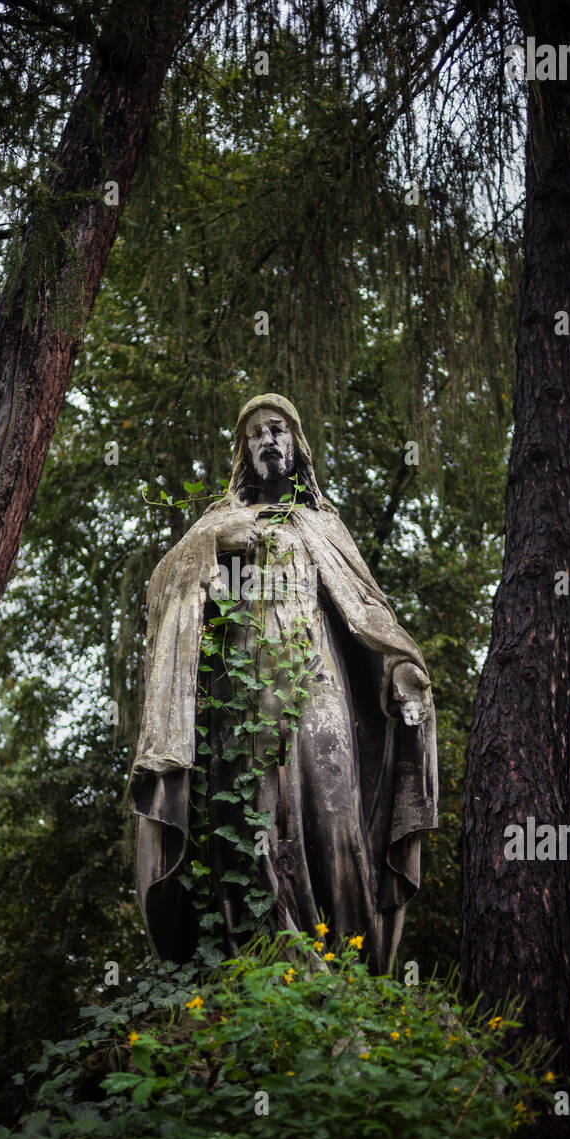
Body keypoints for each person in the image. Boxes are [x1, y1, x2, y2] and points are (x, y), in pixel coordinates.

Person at [131, 393, 438, 974]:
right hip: (245, 689)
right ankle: (267, 952)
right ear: (245, 453)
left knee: (335, 803)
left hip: (319, 679)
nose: (268, 439)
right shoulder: (222, 523)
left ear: (297, 445)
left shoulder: (324, 527)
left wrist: (401, 669)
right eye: (256, 434)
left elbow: (369, 612)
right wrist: (214, 544)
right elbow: (164, 587)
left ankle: (347, 959)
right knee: (254, 805)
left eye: (278, 429)